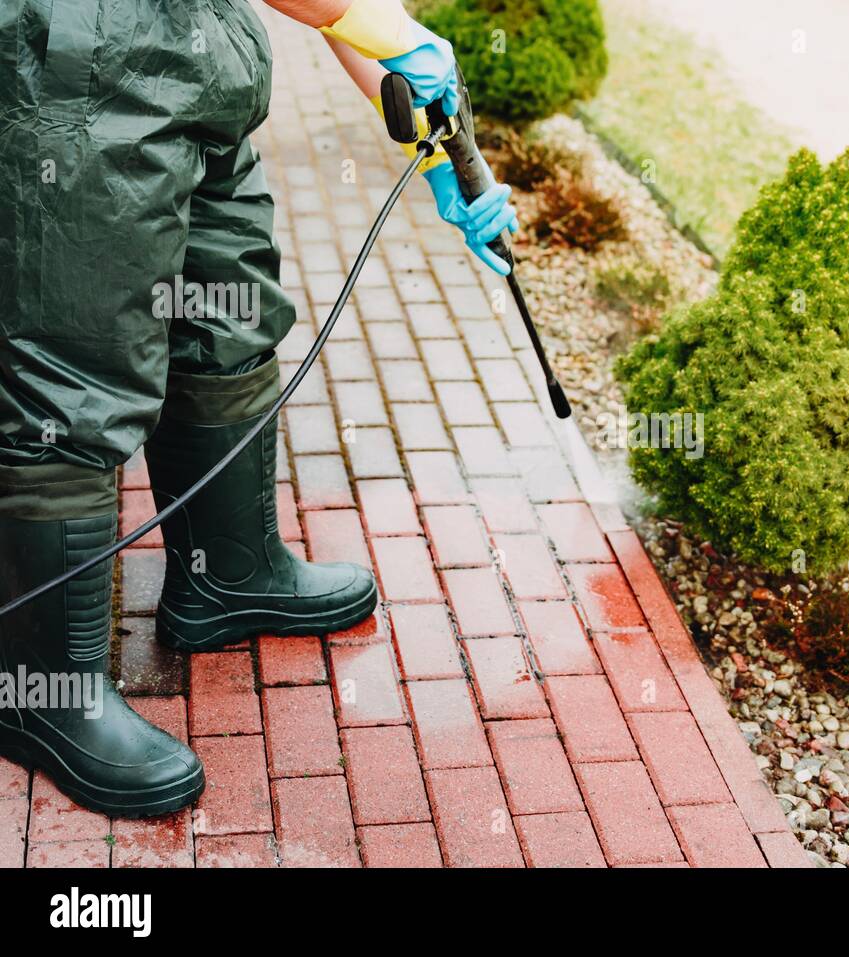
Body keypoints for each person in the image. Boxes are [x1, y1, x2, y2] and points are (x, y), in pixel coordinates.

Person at [0, 0, 516, 817]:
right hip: (75, 69)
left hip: (200, 66)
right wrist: (393, 35)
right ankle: (40, 688)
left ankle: (227, 576)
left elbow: (348, 13)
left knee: (226, 314)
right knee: (74, 374)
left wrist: (442, 156)